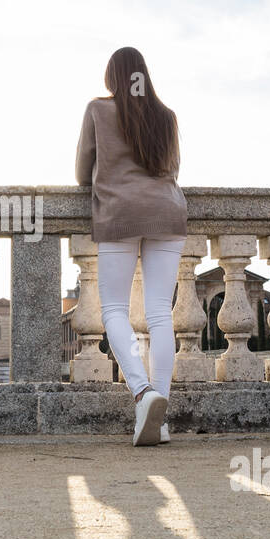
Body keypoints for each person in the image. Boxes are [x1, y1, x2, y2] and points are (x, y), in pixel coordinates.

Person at [74, 47, 188, 446]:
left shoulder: (98, 110)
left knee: (115, 311)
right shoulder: (167, 116)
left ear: (112, 76)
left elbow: (80, 171)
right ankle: (161, 413)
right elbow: (174, 169)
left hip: (120, 214)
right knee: (160, 312)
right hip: (167, 213)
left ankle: (143, 393)